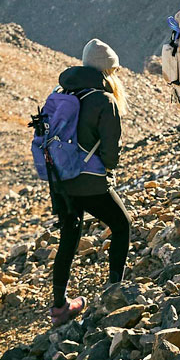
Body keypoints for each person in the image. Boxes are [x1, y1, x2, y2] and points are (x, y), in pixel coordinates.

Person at [47, 40, 133, 326]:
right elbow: (111, 155)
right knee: (121, 225)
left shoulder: (61, 93)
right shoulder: (104, 100)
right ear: (108, 70)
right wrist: (105, 167)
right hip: (90, 182)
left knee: (69, 236)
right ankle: (114, 291)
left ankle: (59, 308)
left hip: (60, 181)